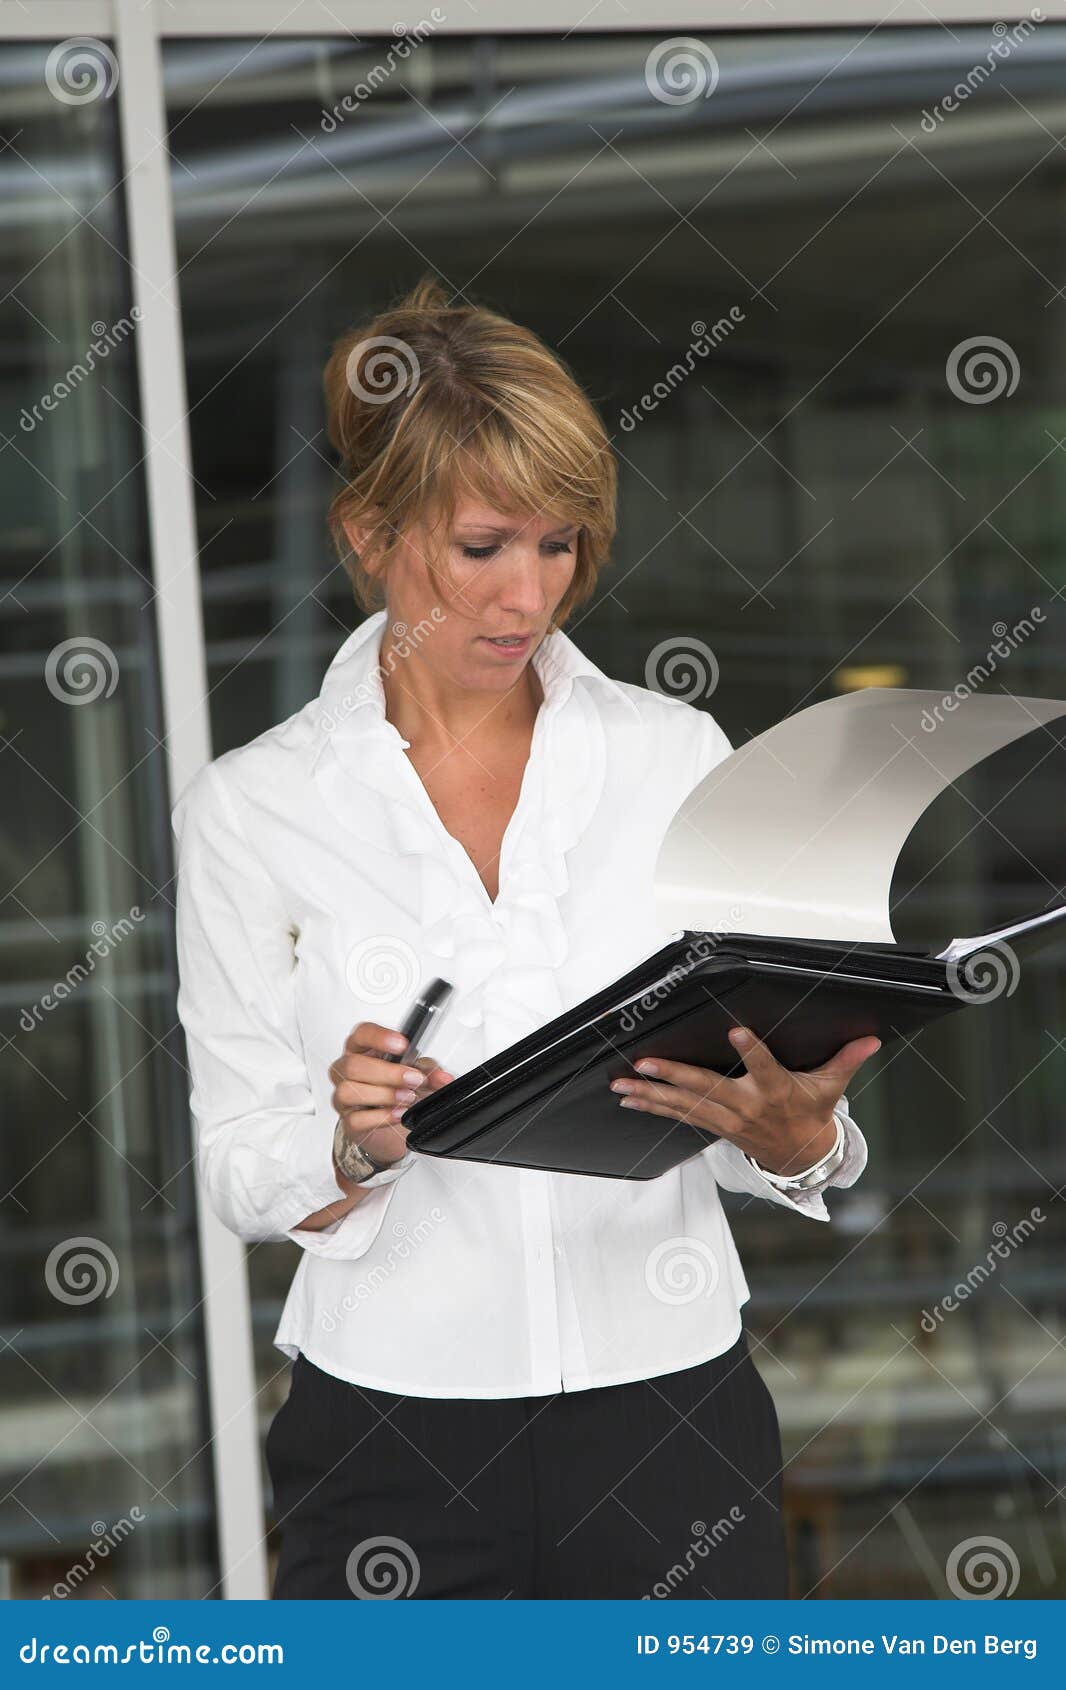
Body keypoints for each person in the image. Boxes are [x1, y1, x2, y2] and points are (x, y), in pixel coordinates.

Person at [172, 275, 879, 1600]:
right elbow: (232, 1165)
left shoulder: (670, 756)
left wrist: (796, 1142)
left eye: (558, 545)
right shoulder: (252, 808)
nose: (525, 595)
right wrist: (351, 1139)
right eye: (483, 545)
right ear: (367, 532)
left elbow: (749, 1068)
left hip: (675, 1413)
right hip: (391, 1436)